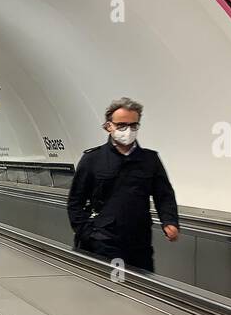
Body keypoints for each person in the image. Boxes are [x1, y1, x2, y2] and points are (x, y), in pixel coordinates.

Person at [67, 97, 180, 272]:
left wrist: (169, 221)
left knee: (141, 292)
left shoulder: (149, 160)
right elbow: (75, 201)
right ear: (108, 126)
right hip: (101, 241)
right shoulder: (92, 159)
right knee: (107, 293)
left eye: (133, 125)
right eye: (121, 125)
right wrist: (86, 233)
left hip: (139, 242)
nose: (128, 130)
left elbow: (164, 195)